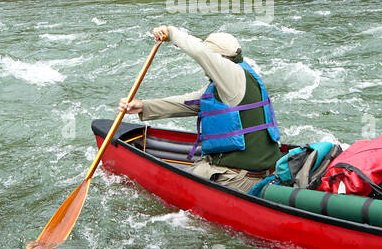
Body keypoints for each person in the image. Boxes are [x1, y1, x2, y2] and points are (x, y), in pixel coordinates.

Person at [119, 26, 281, 193]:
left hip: (240, 178)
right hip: (262, 173)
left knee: (177, 187)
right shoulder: (237, 80)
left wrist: (170, 32)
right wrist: (144, 106)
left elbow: (200, 53)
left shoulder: (231, 75)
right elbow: (189, 102)